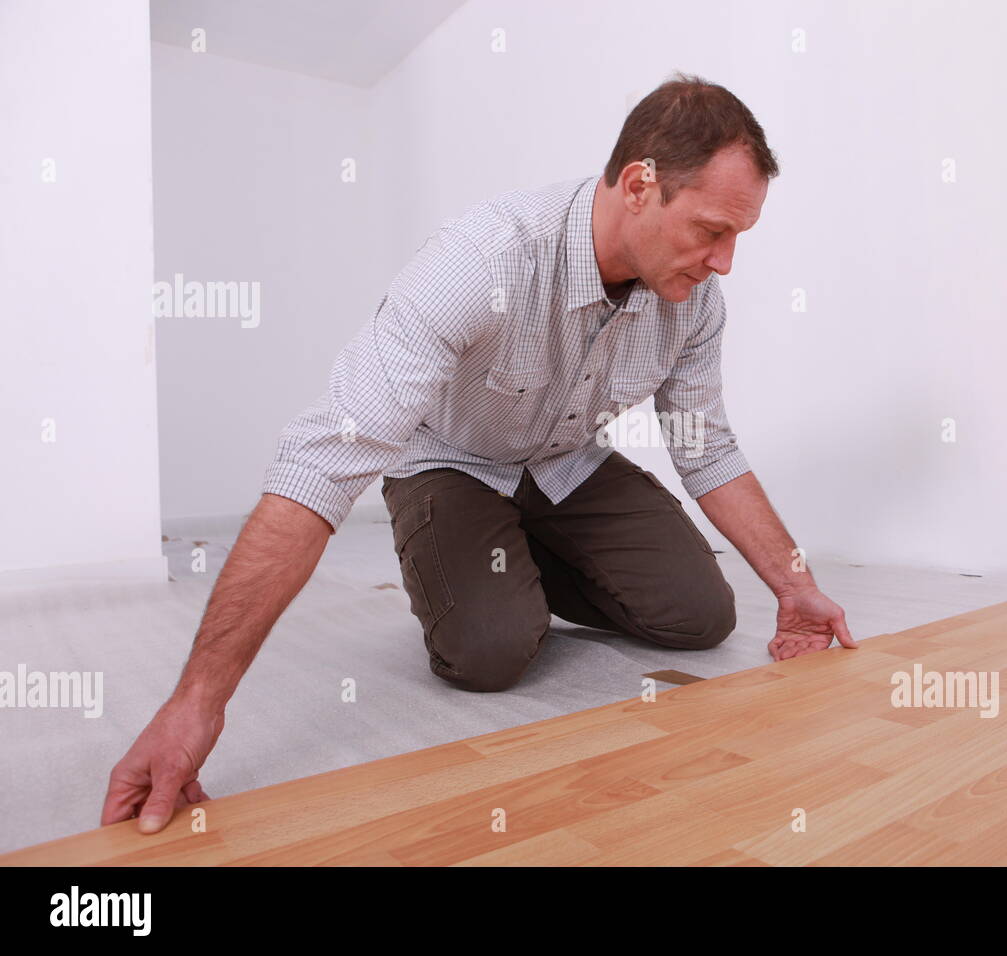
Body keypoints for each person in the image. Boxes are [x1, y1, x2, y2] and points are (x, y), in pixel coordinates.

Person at [101, 71, 857, 835]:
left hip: (562, 463)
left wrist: (796, 585)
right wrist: (196, 702)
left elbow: (707, 448)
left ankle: (510, 560)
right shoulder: (483, 260)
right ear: (639, 185)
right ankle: (475, 570)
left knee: (700, 615)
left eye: (738, 238)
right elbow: (322, 464)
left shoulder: (694, 306)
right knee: (490, 653)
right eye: (711, 230)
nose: (724, 262)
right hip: (450, 460)